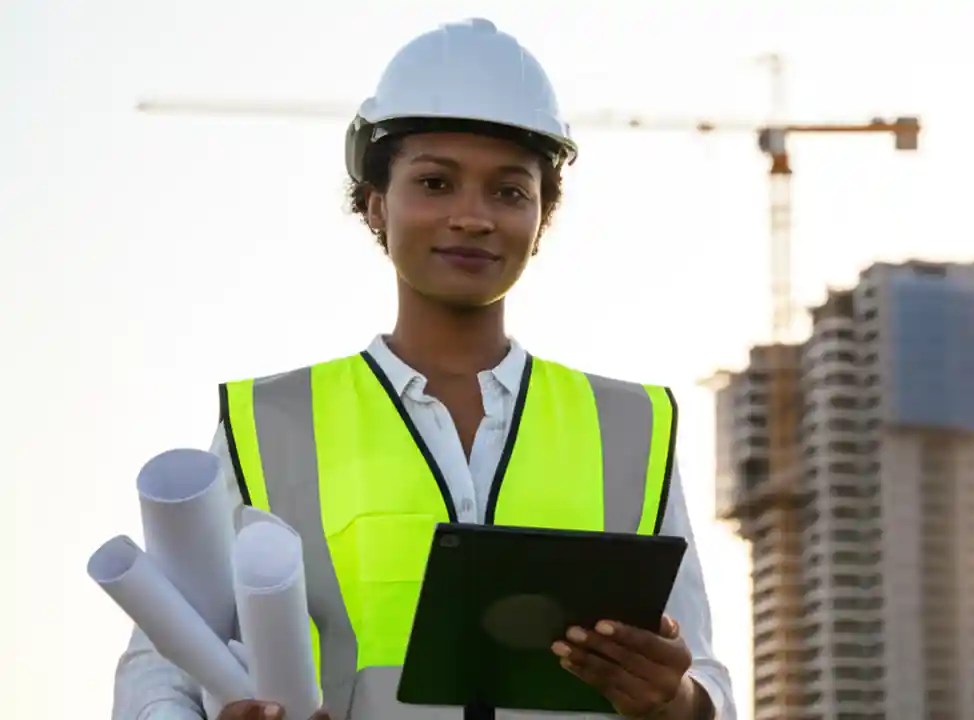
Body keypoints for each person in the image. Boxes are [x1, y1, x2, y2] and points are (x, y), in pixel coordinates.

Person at [111, 17, 735, 720]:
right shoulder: (271, 424)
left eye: (508, 191)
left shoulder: (631, 428)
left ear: (542, 217)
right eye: (436, 183)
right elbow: (159, 664)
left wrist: (675, 700)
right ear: (376, 204)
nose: (472, 217)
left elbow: (707, 679)